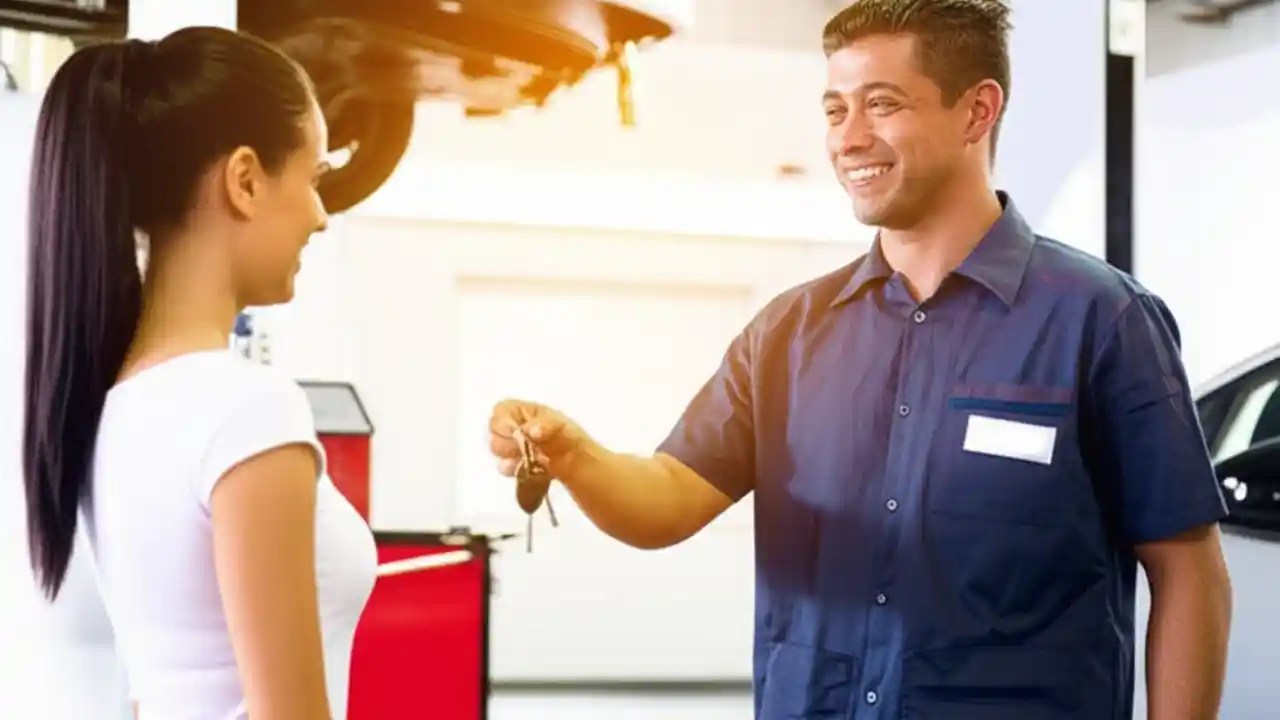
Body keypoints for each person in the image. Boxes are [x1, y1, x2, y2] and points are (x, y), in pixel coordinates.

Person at [488, 2, 1233, 718]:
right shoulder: (787, 333)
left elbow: (1188, 570)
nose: (848, 137)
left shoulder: (1100, 321)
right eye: (835, 110)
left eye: (882, 104)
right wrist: (578, 456)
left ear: (977, 111)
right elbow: (669, 499)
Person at [21, 26, 376, 719]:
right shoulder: (246, 410)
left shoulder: (115, 401)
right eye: (314, 178)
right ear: (245, 180)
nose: (320, 217)